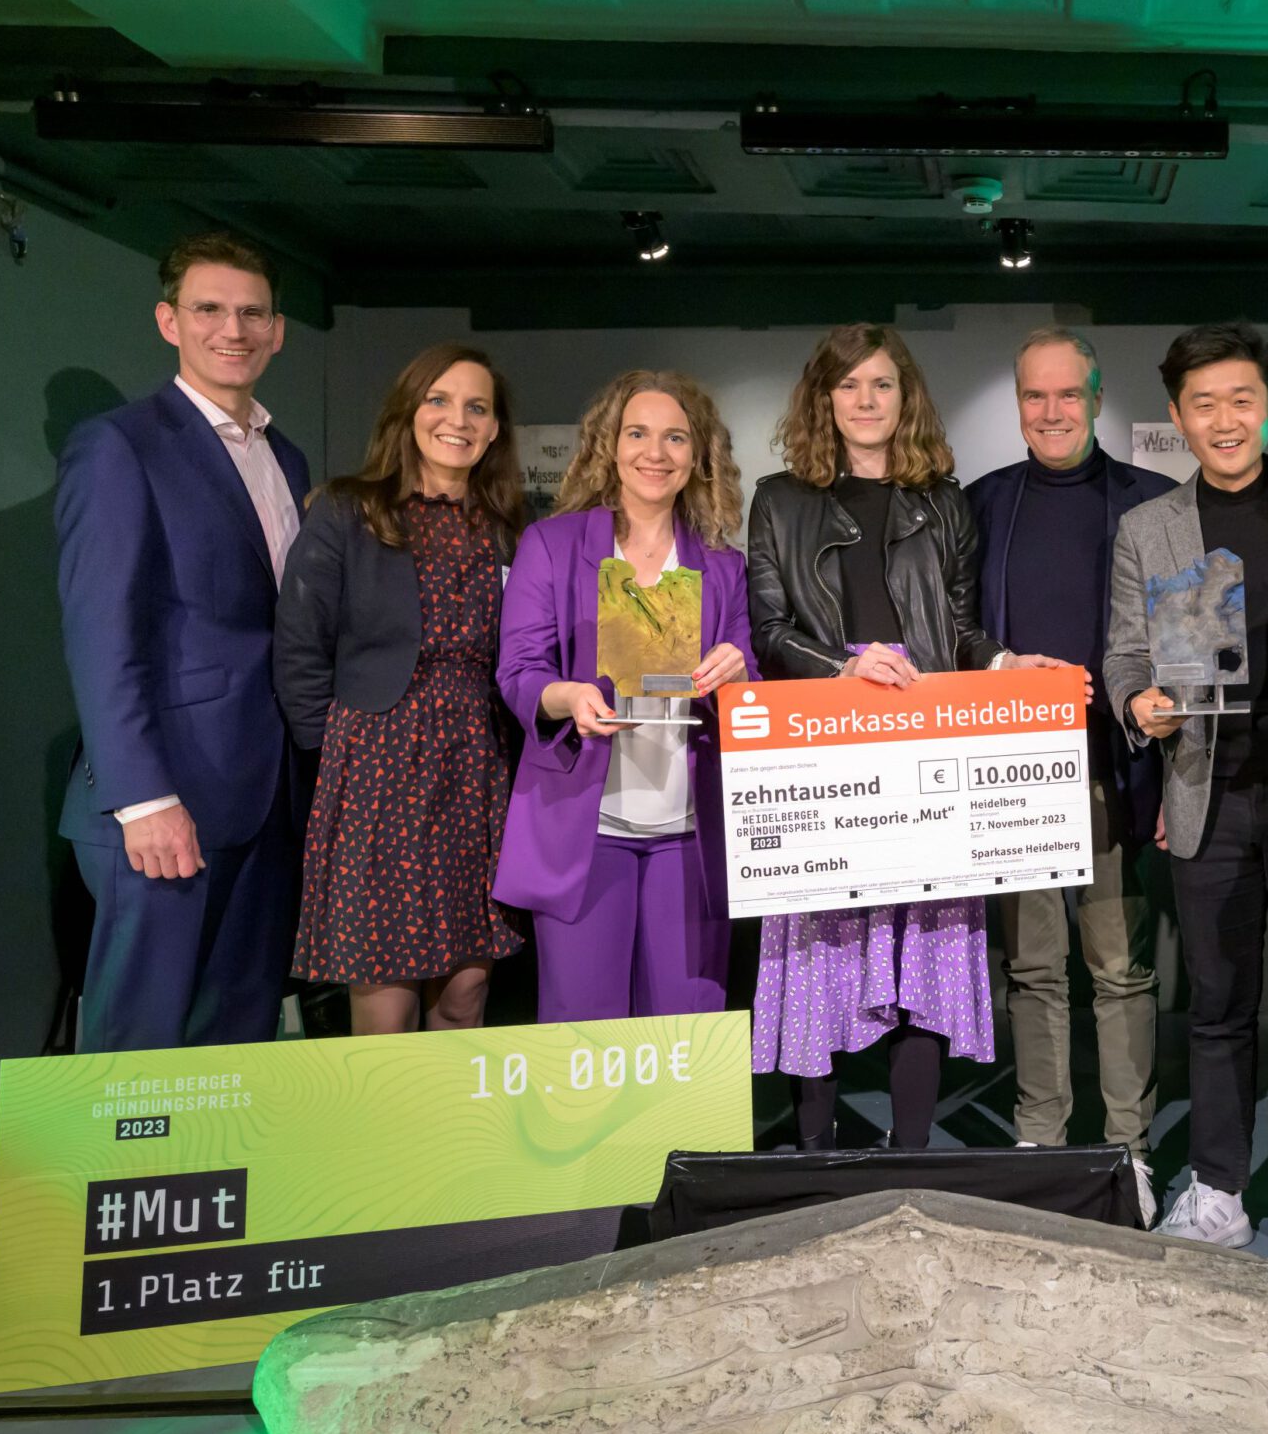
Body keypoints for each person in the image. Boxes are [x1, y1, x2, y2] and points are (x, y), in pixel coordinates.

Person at [749, 324, 1069, 1152]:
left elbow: (958, 629)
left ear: (905, 397)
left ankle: (911, 1148)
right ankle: (815, 1151)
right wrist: (842, 669)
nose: (865, 400)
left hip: (926, 754)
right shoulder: (778, 498)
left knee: (923, 954)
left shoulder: (944, 500)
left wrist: (1001, 662)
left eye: (882, 385)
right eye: (848, 385)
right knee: (819, 957)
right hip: (821, 751)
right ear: (824, 398)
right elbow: (769, 629)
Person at [1106, 322, 1268, 1277]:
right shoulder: (1149, 528)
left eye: (1241, 399)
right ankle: (1217, 1193)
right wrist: (1138, 703)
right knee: (1217, 1007)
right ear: (1177, 417)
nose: (1225, 419)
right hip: (1206, 790)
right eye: (1203, 404)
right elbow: (1126, 655)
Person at [55, 231, 309, 1050]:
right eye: (209, 309)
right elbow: (102, 634)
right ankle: (115, 1188)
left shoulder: (287, 459)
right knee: (139, 1048)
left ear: (277, 330)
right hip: (166, 805)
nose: (231, 329)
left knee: (234, 1045)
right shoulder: (119, 446)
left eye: (251, 312)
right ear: (169, 321)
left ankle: (215, 1185)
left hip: (266, 798)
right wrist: (143, 799)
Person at [968, 329, 1173, 1213]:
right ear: (1019, 403)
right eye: (1034, 397)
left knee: (1121, 971)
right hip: (1016, 781)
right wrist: (1001, 660)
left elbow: (1192, 653)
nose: (1051, 412)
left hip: (1114, 776)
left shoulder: (1158, 503)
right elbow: (956, 633)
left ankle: (1128, 1149)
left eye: (1068, 394)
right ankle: (1040, 1136)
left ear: (1096, 397)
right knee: (1034, 971)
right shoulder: (980, 506)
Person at [275, 344, 529, 1033]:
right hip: (376, 771)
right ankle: (384, 1140)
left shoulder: (510, 528)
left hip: (479, 768)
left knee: (466, 993)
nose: (459, 419)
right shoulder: (345, 512)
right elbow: (299, 649)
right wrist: (336, 757)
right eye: (439, 401)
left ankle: (451, 1141)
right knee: (385, 999)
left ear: (496, 428)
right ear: (408, 413)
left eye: (478, 407)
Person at [495, 370, 753, 1019]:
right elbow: (520, 669)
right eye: (637, 433)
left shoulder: (722, 565)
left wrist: (739, 673)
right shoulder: (551, 545)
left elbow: (749, 681)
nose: (655, 453)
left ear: (698, 456)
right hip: (587, 829)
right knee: (584, 1033)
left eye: (675, 438)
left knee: (685, 1038)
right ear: (611, 444)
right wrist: (567, 697)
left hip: (689, 833)